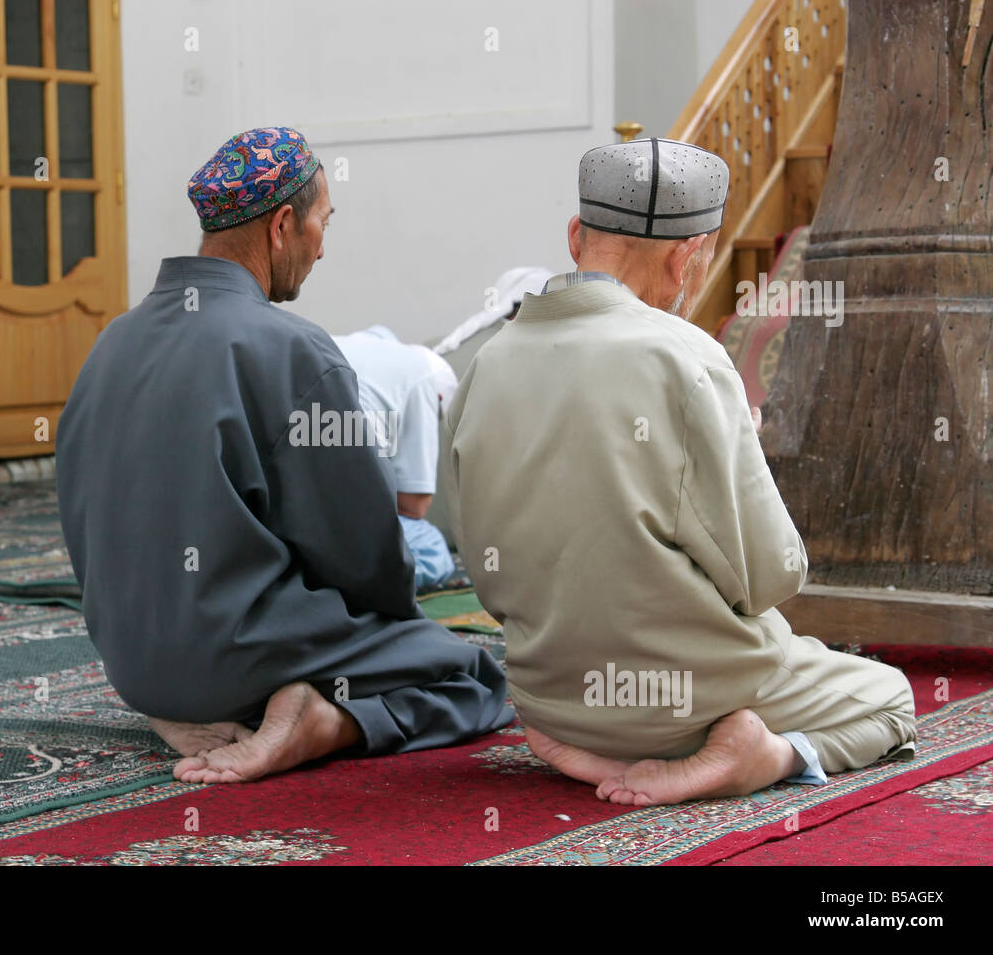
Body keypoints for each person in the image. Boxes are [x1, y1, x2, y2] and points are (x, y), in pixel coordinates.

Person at [443, 138, 916, 806]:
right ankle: (762, 758)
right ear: (686, 255)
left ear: (576, 236)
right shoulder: (685, 356)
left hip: (551, 700)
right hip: (687, 701)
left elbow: (483, 566)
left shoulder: (487, 365)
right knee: (890, 697)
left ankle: (597, 753)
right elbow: (770, 576)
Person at [56, 127, 512, 785]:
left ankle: (194, 699)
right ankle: (324, 723)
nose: (323, 247)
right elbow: (364, 554)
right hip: (234, 657)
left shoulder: (112, 343)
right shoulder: (294, 350)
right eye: (324, 222)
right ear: (283, 225)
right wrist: (394, 628)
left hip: (135, 671)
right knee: (469, 674)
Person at [331, 325, 458, 589]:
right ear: (439, 397)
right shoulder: (421, 377)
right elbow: (413, 506)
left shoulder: (333, 342)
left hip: (271, 512)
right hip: (331, 527)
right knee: (431, 548)